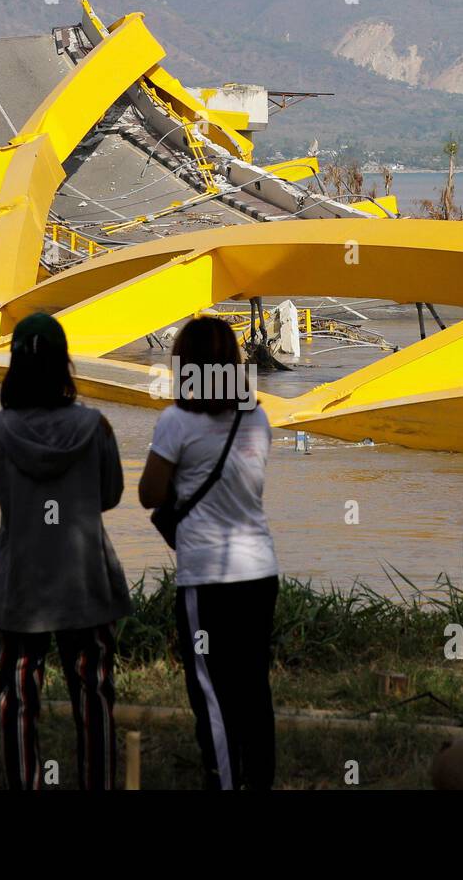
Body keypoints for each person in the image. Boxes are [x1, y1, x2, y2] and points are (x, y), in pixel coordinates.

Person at [0, 311, 130, 791]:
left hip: (19, 581)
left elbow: (1, 488)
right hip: (85, 579)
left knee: (18, 700)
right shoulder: (97, 428)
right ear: (65, 366)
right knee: (95, 697)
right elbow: (110, 496)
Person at [138, 316, 279, 790]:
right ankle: (257, 780)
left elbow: (149, 493)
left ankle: (222, 780)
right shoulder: (257, 417)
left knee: (212, 694)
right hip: (260, 572)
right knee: (253, 688)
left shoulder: (177, 422)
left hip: (207, 579)